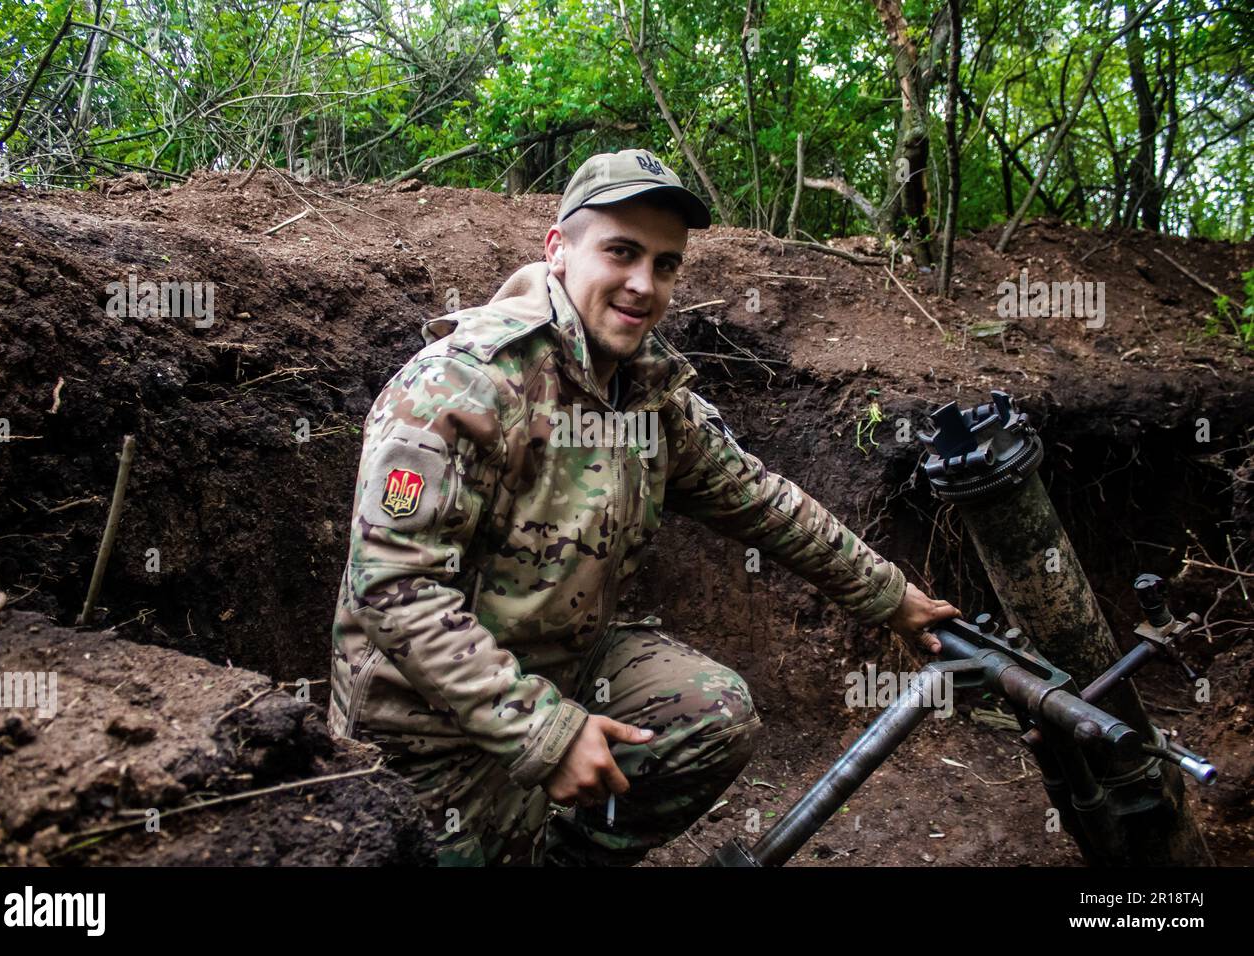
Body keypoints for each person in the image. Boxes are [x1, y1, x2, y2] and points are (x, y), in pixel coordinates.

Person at [327, 148, 960, 866]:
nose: (643, 284)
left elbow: (759, 501)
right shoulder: (464, 385)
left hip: (565, 670)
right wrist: (542, 730)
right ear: (558, 250)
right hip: (426, 729)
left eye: (665, 264)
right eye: (621, 252)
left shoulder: (646, 393)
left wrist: (889, 597)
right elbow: (394, 587)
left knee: (711, 713)